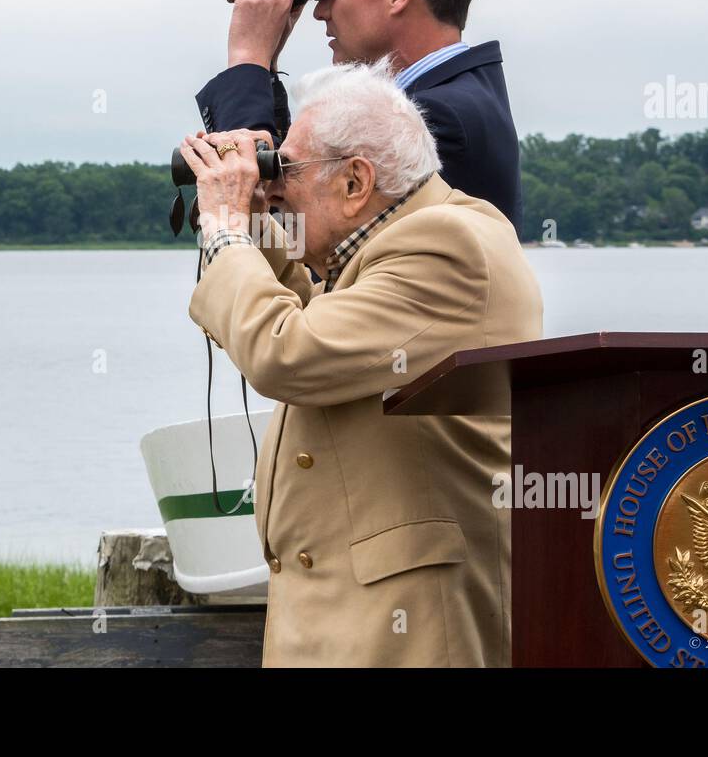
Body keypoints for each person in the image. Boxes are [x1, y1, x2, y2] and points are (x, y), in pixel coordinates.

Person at [177, 58, 543, 666]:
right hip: (363, 627)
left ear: (355, 182)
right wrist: (258, 220)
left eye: (288, 169)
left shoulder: (447, 247)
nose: (276, 182)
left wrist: (225, 227)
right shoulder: (399, 243)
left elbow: (286, 352)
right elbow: (312, 318)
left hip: (411, 638)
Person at [194, 0, 524, 231]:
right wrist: (265, 71)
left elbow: (293, 245)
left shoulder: (435, 119)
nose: (320, 11)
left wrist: (246, 60)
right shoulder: (466, 98)